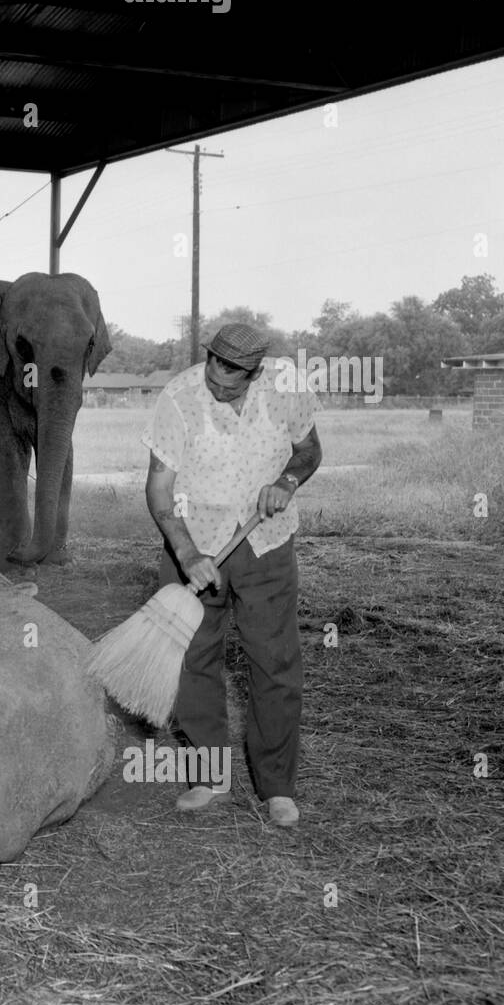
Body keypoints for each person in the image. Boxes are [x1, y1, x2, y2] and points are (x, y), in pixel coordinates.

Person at [140, 323, 322, 826]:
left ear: (256, 371)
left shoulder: (286, 389)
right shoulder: (179, 399)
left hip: (266, 543)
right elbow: (159, 490)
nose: (217, 384)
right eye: (213, 370)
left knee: (275, 662)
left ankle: (277, 787)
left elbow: (309, 451)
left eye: (232, 379)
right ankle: (208, 776)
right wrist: (186, 553)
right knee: (195, 661)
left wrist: (286, 481)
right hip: (195, 544)